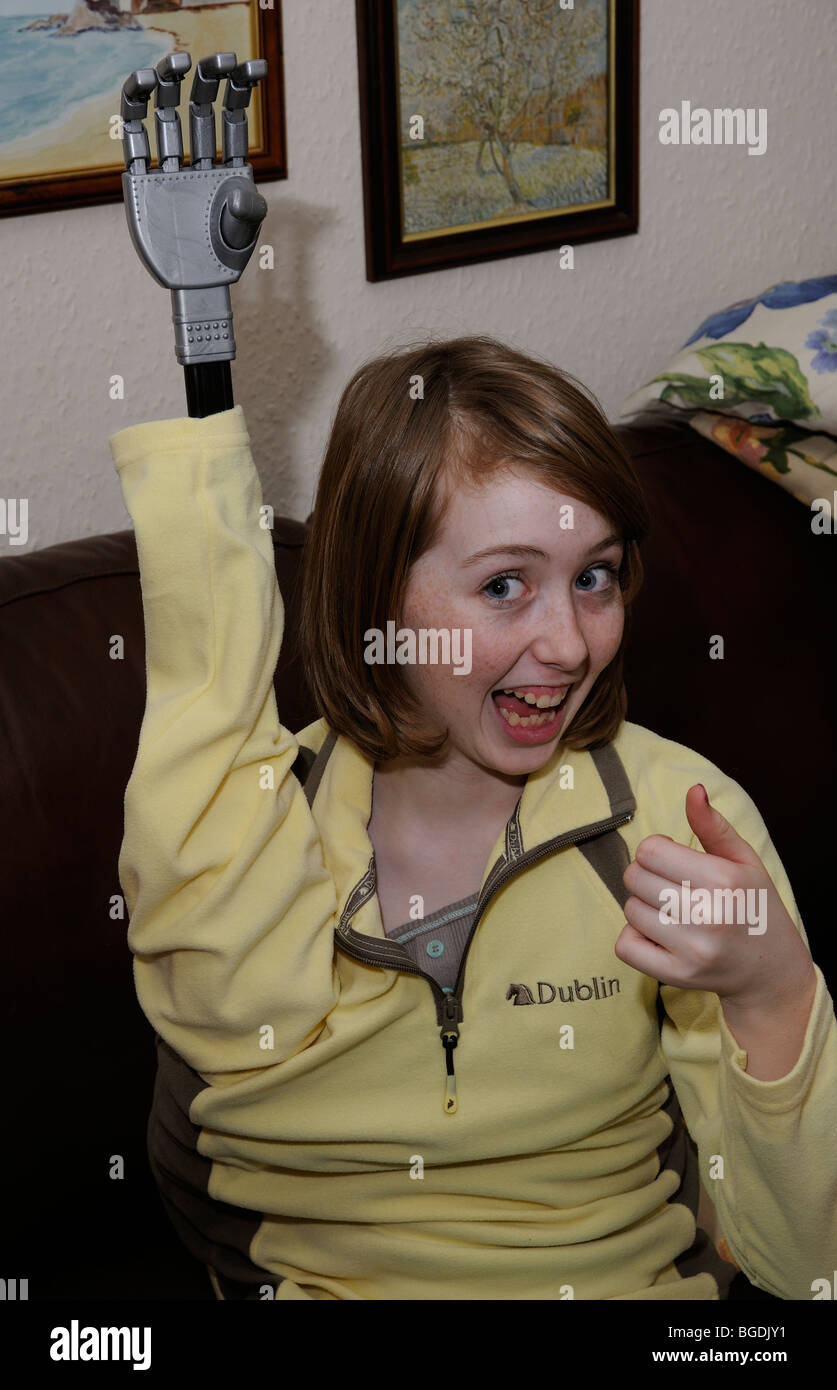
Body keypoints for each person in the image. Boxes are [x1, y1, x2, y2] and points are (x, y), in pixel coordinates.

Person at [109, 53, 836, 1301]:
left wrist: (774, 991)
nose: (567, 642)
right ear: (376, 592)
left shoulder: (679, 827)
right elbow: (203, 669)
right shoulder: (242, 845)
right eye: (504, 585)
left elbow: (801, 1266)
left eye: (595, 577)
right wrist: (201, 338)